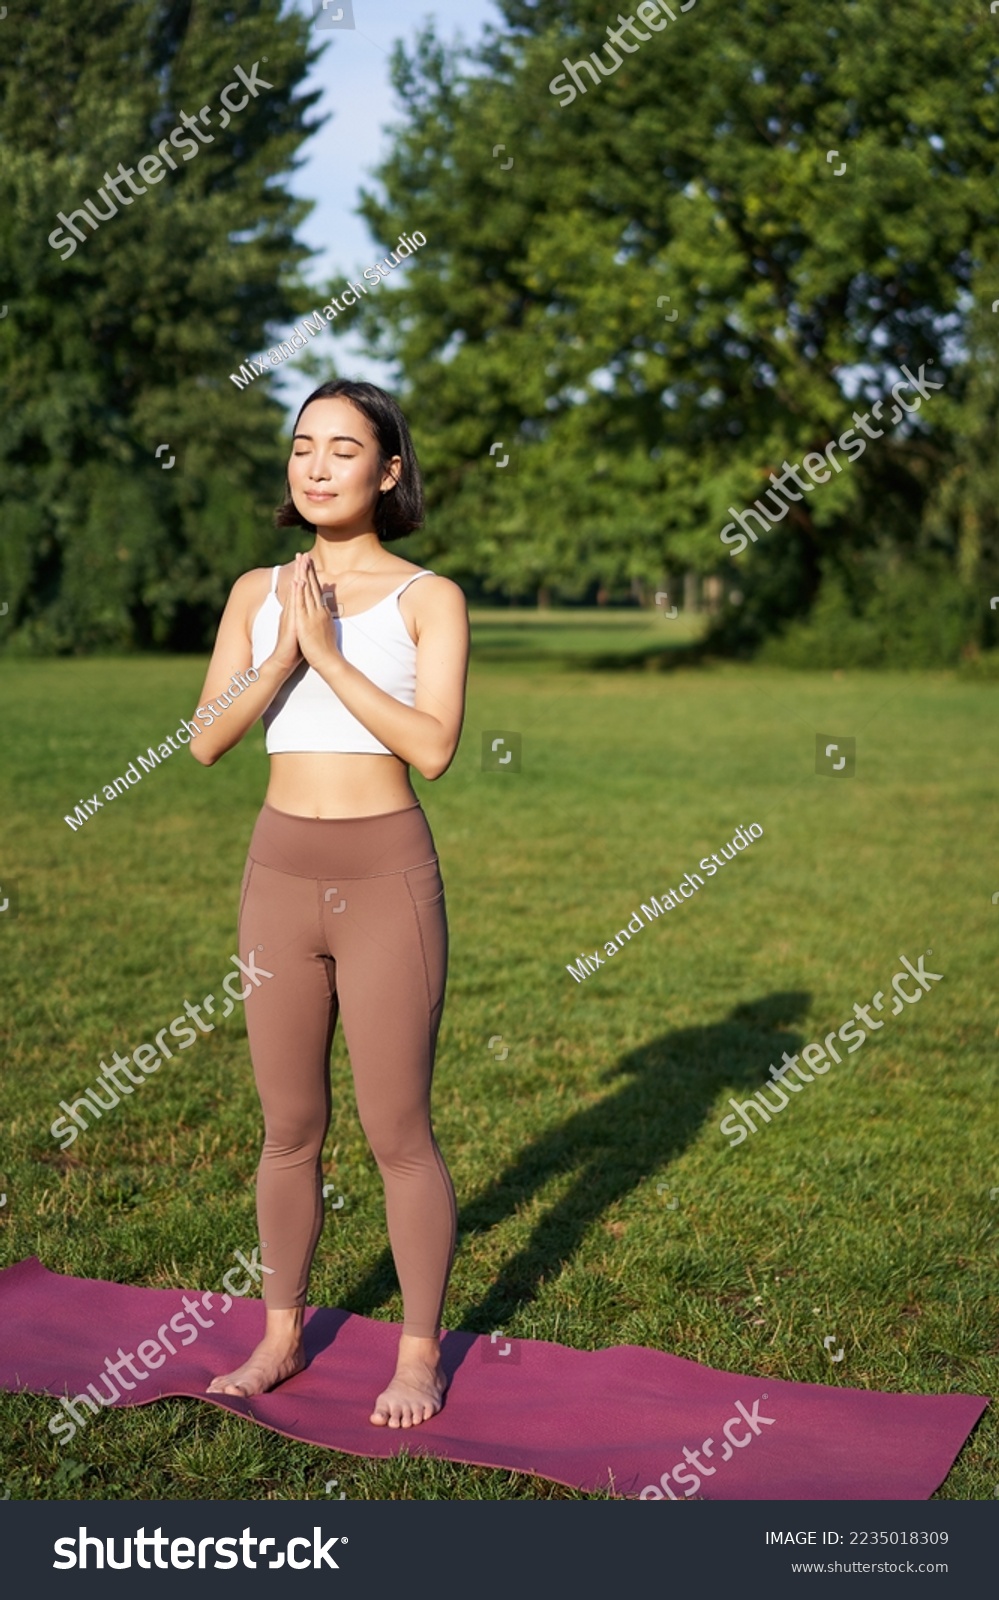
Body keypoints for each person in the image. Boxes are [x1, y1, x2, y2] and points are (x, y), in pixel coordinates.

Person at [189, 379, 468, 1428]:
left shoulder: (427, 597)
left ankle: (417, 1354)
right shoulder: (255, 589)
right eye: (301, 446)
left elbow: (433, 748)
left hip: (385, 874)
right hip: (278, 873)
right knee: (288, 1125)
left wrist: (331, 658)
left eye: (342, 449)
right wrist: (280, 653)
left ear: (388, 470)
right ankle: (278, 1334)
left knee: (398, 1128)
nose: (314, 465)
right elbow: (209, 736)